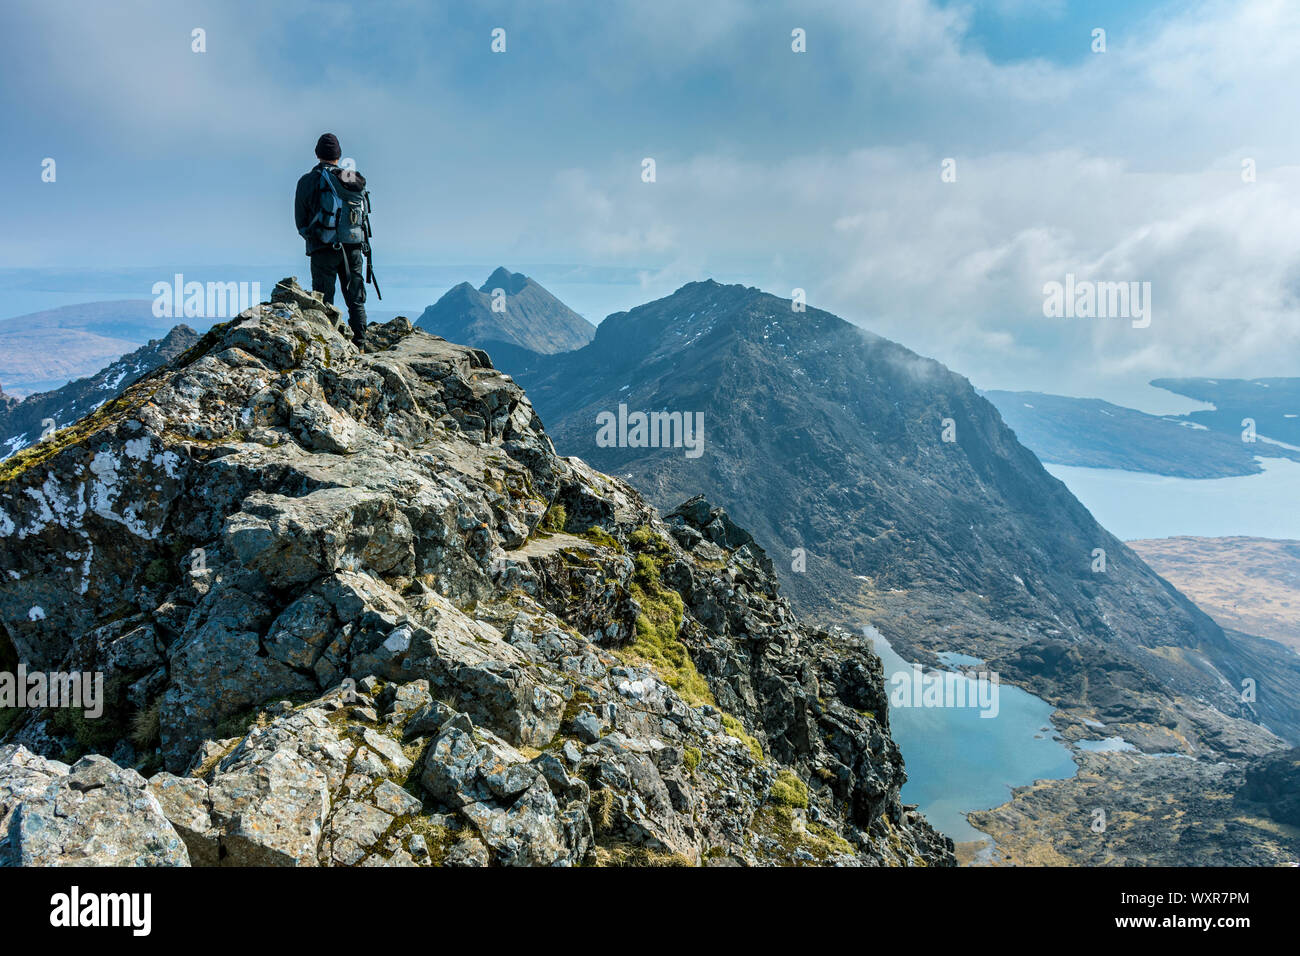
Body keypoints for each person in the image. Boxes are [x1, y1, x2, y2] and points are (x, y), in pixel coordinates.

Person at [294, 133, 370, 347]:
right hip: (353, 246)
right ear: (339, 155)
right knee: (355, 299)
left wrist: (314, 238)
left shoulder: (308, 181)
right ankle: (360, 343)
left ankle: (328, 346)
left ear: (317, 154)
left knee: (324, 301)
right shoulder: (351, 179)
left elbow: (300, 220)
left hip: (323, 247)